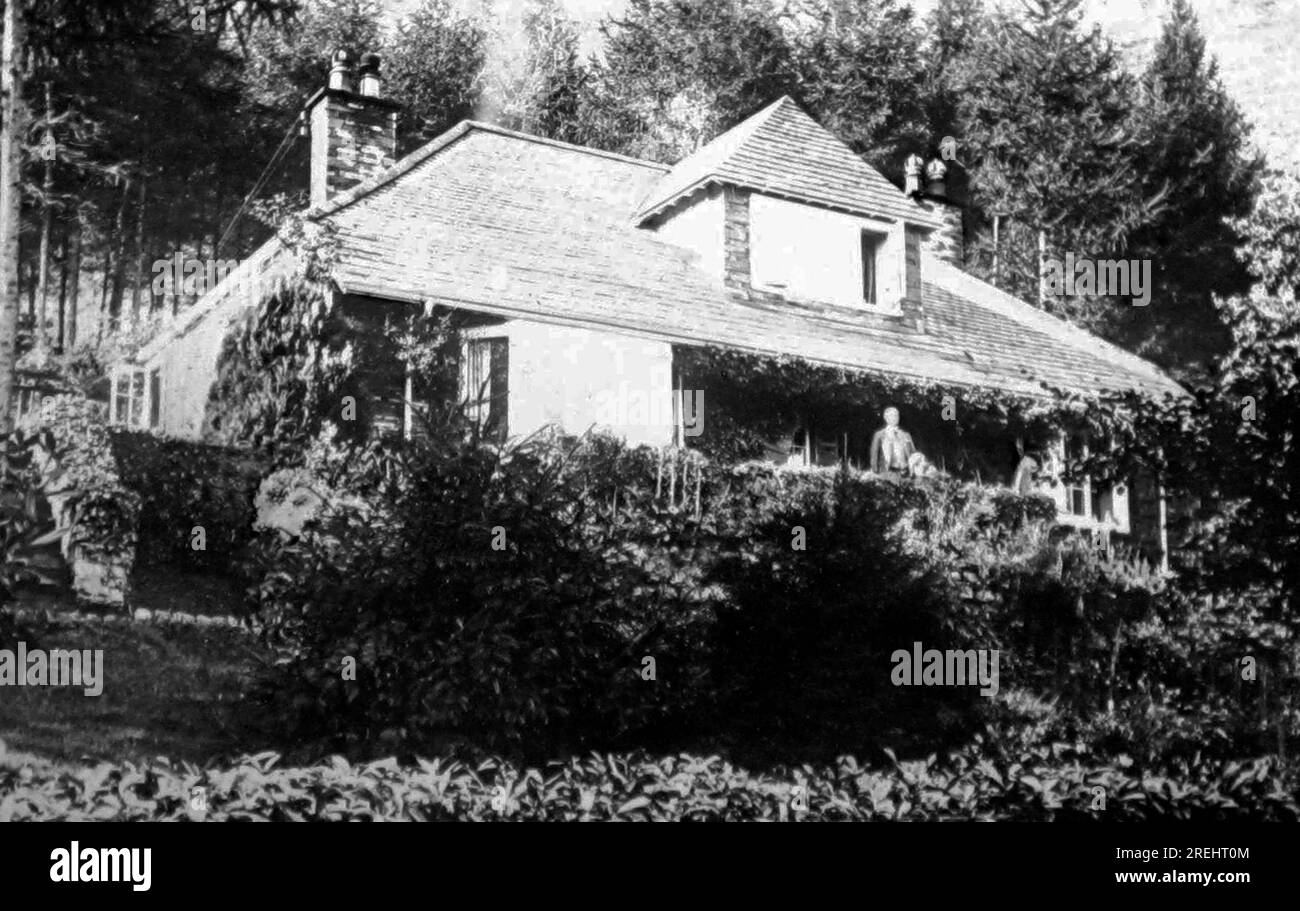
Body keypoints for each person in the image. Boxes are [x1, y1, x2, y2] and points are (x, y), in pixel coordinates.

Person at [870, 406, 915, 478]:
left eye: (897, 415)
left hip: (905, 472)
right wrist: (875, 471)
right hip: (887, 472)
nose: (896, 418)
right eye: (892, 415)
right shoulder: (879, 435)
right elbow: (874, 454)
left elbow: (913, 453)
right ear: (886, 418)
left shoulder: (906, 435)